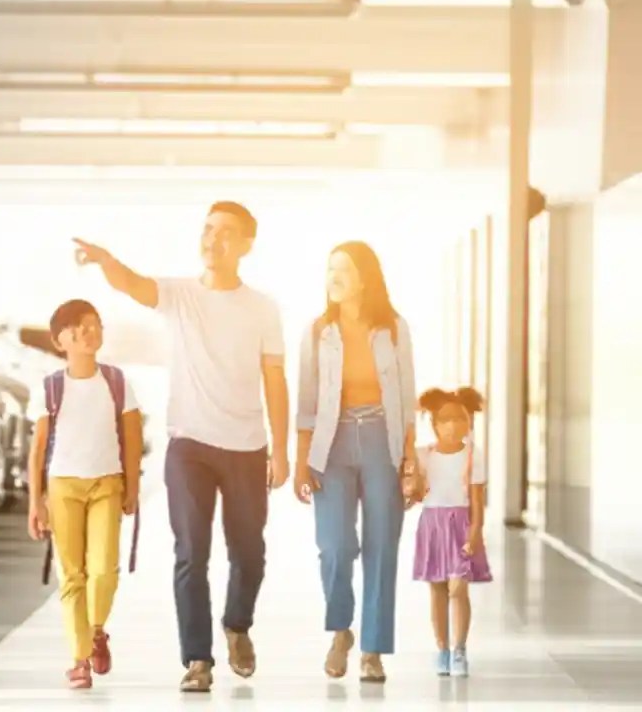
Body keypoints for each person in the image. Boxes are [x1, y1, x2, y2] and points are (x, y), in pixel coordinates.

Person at [73, 201, 290, 693]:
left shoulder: (263, 308)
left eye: (226, 233)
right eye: (208, 229)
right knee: (192, 551)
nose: (213, 240)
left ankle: (237, 625)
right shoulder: (179, 295)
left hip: (247, 447)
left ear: (246, 245)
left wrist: (281, 448)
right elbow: (132, 283)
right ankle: (197, 659)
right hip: (189, 444)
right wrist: (106, 260)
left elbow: (274, 379)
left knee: (249, 552)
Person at [294, 240, 417, 684]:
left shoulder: (395, 328)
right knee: (335, 547)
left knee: (383, 547)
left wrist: (410, 461)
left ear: (365, 277)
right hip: (332, 444)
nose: (334, 277)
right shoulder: (317, 331)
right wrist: (300, 460)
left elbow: (407, 398)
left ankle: (372, 650)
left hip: (383, 440)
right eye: (330, 269)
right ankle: (341, 628)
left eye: (343, 269)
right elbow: (306, 402)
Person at [26, 299, 144, 690]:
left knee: (104, 568)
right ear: (60, 341)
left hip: (107, 483)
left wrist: (133, 485)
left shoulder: (116, 381)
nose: (87, 334)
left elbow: (131, 437)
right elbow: (38, 449)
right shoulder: (49, 387)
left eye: (93, 325)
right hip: (63, 487)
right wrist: (35, 502)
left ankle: (96, 630)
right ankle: (79, 659)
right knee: (71, 575)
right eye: (76, 329)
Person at [412, 386, 492, 678]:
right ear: (434, 423)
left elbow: (477, 500)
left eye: (459, 418)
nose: (453, 425)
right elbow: (414, 492)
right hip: (432, 525)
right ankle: (442, 648)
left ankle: (460, 649)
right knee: (437, 589)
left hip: (461, 524)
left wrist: (474, 534)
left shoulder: (474, 455)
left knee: (458, 588)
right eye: (445, 419)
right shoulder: (423, 455)